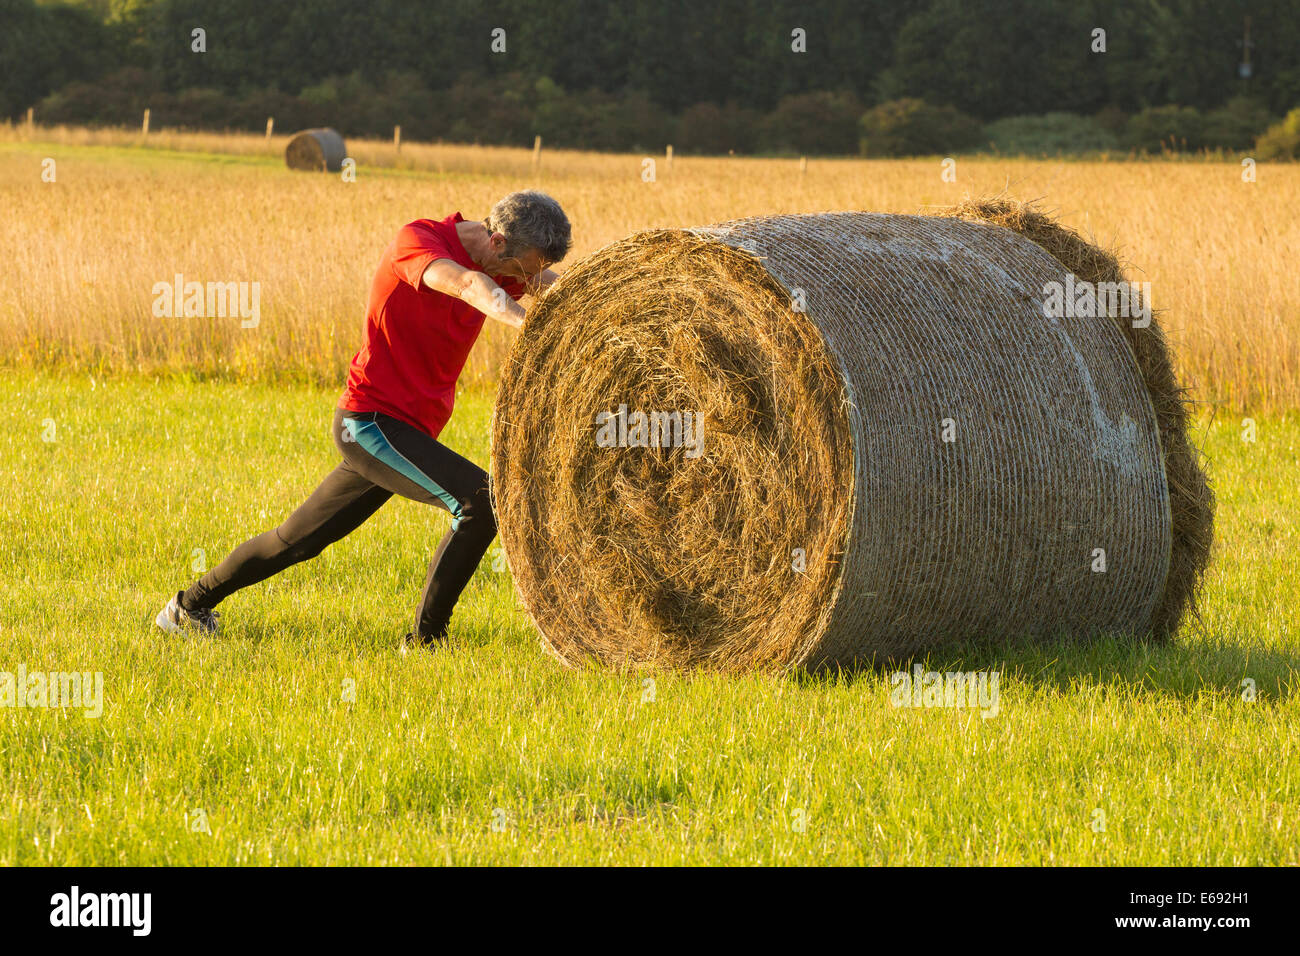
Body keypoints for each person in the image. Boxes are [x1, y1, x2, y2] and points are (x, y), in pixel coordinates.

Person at [156, 190, 571, 647]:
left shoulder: (502, 265)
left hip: (405, 433)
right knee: (479, 501)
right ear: (495, 243)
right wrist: (529, 326)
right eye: (520, 271)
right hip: (371, 422)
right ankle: (426, 642)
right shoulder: (420, 242)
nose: (523, 283)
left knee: (298, 541)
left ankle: (187, 606)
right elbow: (470, 287)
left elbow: (550, 286)